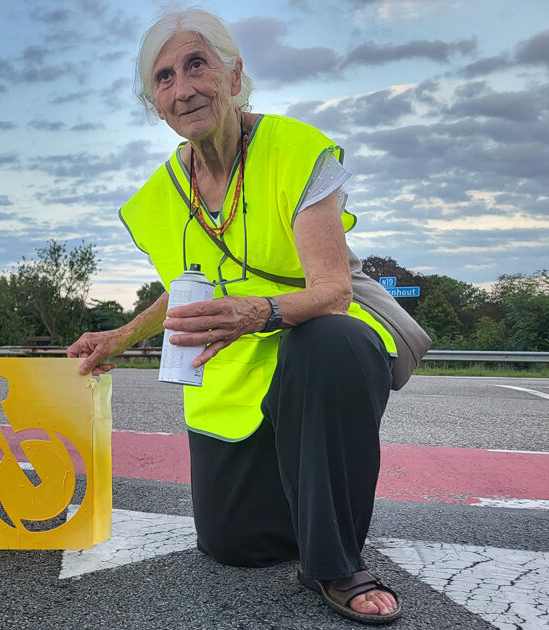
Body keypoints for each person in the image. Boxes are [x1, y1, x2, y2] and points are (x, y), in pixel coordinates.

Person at [67, 9, 402, 625]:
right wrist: (121, 336)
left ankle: (335, 562)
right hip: (236, 365)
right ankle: (304, 504)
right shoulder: (162, 192)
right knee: (232, 547)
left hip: (319, 344)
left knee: (327, 342)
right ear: (156, 104)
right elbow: (183, 290)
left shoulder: (294, 149)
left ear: (234, 74)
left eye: (197, 65)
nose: (184, 86)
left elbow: (331, 292)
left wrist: (260, 311)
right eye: (165, 78)